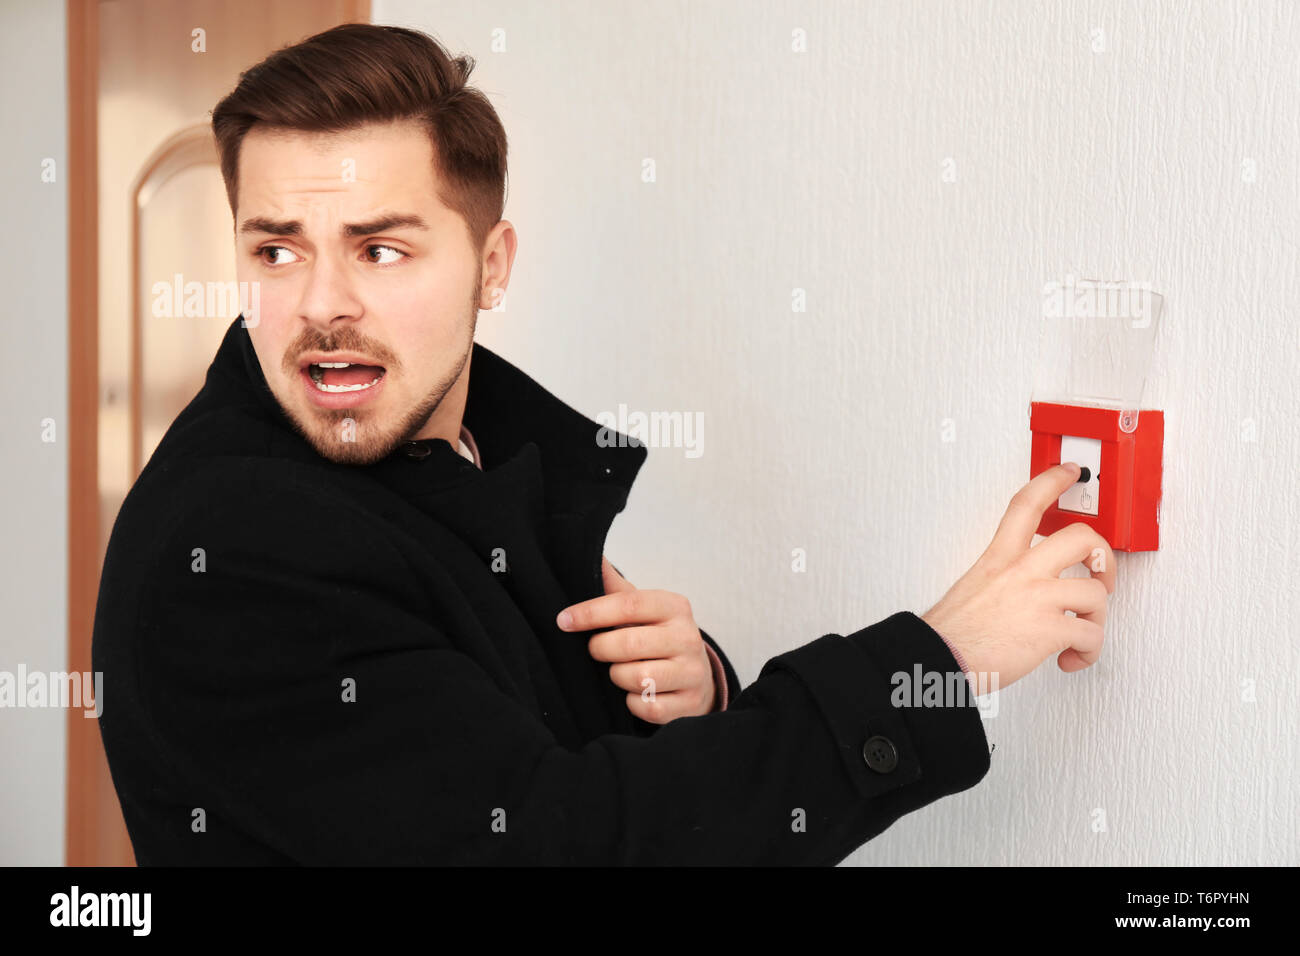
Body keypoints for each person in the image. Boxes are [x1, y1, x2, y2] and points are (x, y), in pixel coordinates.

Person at [92, 23, 1114, 865]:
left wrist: (693, 687)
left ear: (492, 265)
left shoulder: (469, 452)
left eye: (380, 248)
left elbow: (541, 757)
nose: (320, 305)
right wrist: (938, 659)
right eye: (277, 248)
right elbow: (565, 840)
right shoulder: (229, 550)